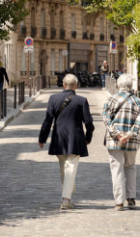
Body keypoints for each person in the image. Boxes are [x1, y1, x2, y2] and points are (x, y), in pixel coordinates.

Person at [38, 74, 95, 210]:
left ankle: (67, 195)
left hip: (59, 138)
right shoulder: (81, 100)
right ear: (76, 86)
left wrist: (42, 138)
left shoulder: (53, 98)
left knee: (65, 167)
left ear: (64, 85)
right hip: (75, 139)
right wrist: (88, 137)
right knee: (70, 168)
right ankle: (66, 199)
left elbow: (48, 120)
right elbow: (89, 122)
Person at [103, 74, 140, 211]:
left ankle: (119, 202)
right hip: (131, 142)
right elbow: (139, 121)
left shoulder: (111, 100)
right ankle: (131, 198)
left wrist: (117, 134)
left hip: (114, 141)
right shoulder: (137, 101)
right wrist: (129, 135)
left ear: (118, 85)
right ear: (131, 86)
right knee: (130, 167)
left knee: (117, 169)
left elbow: (107, 120)